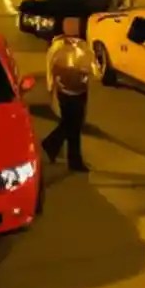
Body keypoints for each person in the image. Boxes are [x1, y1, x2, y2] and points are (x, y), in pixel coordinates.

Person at [41, 18, 92, 172]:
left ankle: (52, 145)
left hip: (80, 89)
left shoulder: (82, 46)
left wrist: (89, 74)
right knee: (72, 125)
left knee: (72, 124)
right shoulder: (58, 46)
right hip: (66, 90)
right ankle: (73, 160)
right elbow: (50, 66)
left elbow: (90, 62)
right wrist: (51, 87)